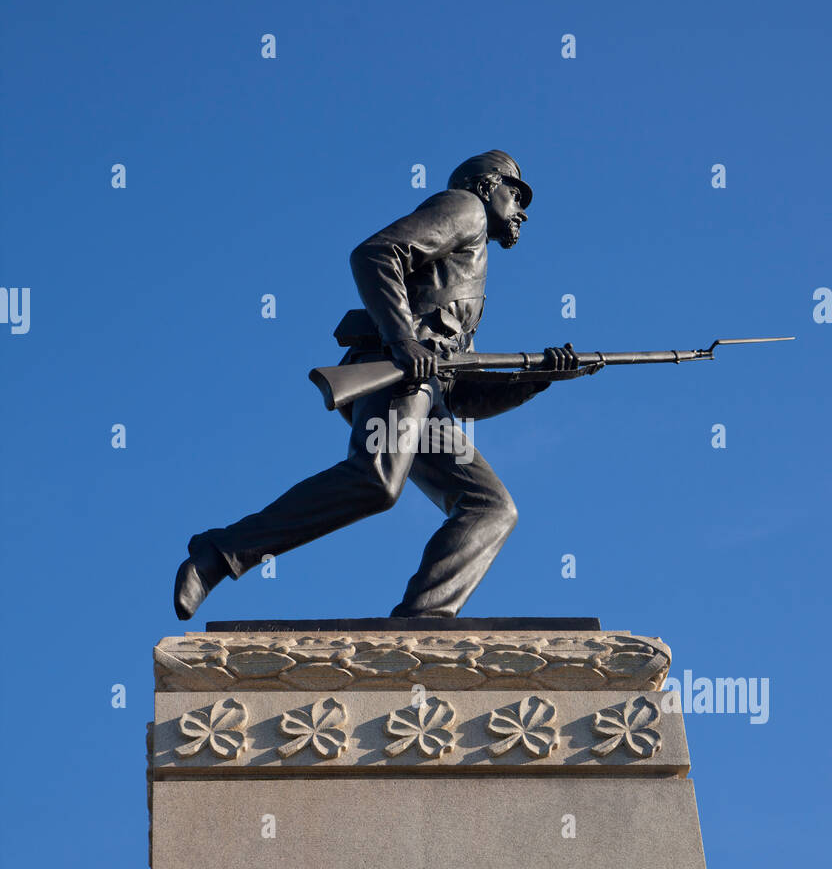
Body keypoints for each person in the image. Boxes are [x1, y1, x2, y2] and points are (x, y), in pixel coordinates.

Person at [173, 150, 601, 620]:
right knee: (376, 479)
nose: (521, 209)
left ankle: (421, 622)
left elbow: (461, 398)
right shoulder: (466, 209)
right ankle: (218, 554)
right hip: (399, 373)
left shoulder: (468, 277)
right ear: (485, 186)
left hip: (426, 394)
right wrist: (403, 340)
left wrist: (537, 379)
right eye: (515, 193)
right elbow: (375, 253)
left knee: (490, 508)